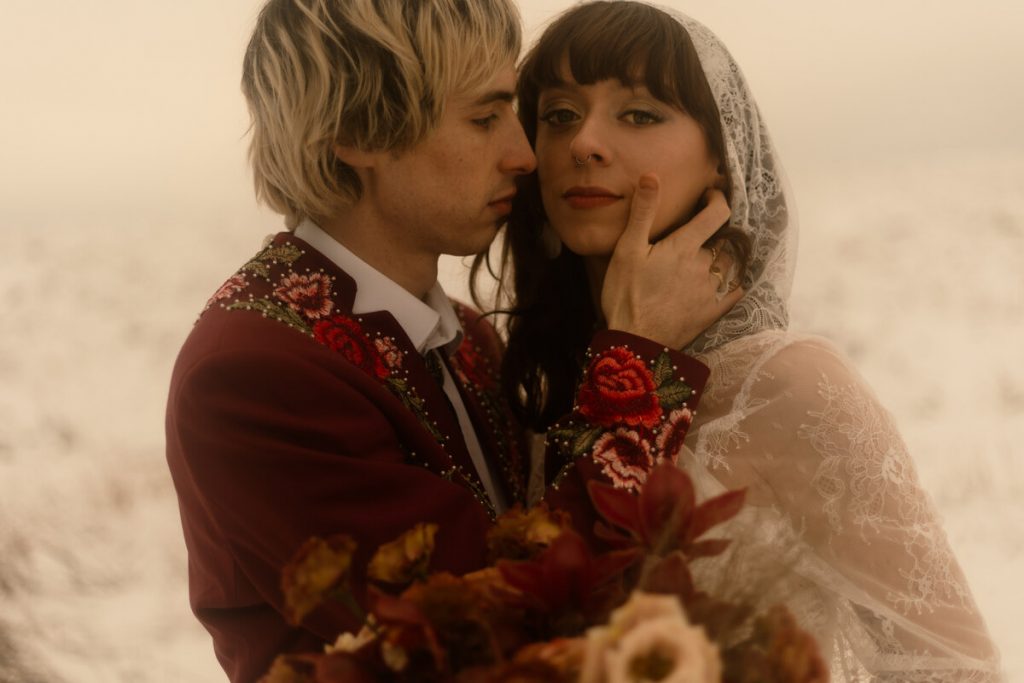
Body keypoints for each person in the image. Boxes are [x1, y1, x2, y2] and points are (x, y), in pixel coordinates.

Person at [164, 1, 740, 680]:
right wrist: (637, 362)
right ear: (359, 131)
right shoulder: (255, 373)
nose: (524, 155)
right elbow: (493, 645)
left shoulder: (465, 336)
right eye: (484, 117)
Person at [489, 2, 1005, 680]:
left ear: (722, 161)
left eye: (639, 113)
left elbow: (954, 666)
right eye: (559, 114)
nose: (585, 141)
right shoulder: (536, 380)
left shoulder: (788, 384)